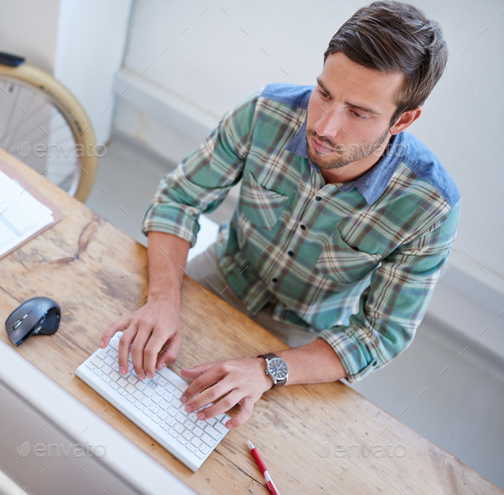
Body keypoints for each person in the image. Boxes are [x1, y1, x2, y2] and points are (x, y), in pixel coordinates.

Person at [100, 1, 460, 430]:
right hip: (223, 272)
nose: (325, 126)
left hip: (306, 332)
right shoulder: (263, 113)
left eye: (359, 113)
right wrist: (162, 300)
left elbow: (379, 335)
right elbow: (180, 199)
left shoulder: (430, 208)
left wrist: (269, 370)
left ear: (404, 120)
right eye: (324, 93)